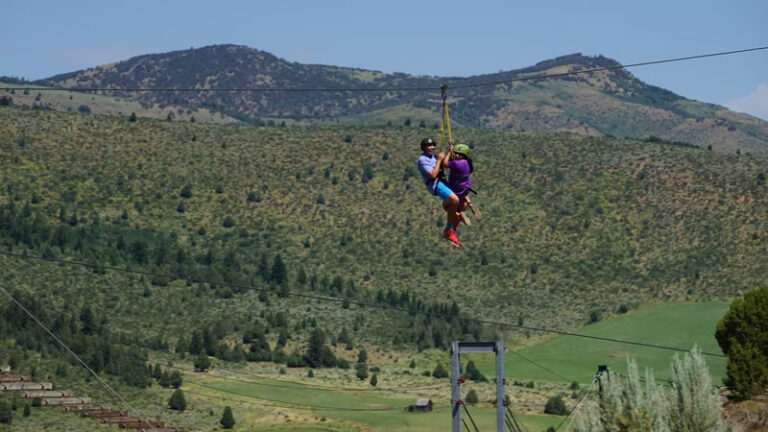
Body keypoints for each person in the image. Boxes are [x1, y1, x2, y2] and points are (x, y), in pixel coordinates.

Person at [417, 138, 461, 247]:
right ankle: (449, 230)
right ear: (424, 148)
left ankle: (451, 209)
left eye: (432, 145)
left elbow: (444, 164)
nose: (431, 147)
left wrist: (450, 150)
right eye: (428, 146)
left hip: (442, 182)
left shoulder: (434, 157)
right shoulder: (423, 160)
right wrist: (439, 160)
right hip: (435, 184)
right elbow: (432, 175)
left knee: (460, 199)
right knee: (455, 200)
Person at [443, 142, 481, 225]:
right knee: (464, 196)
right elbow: (453, 160)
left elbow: (445, 163)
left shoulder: (456, 163)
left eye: (458, 154)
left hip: (455, 188)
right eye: (456, 153)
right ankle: (471, 205)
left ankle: (460, 214)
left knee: (446, 206)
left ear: (463, 156)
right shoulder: (466, 163)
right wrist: (452, 147)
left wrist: (449, 151)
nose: (456, 155)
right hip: (465, 186)